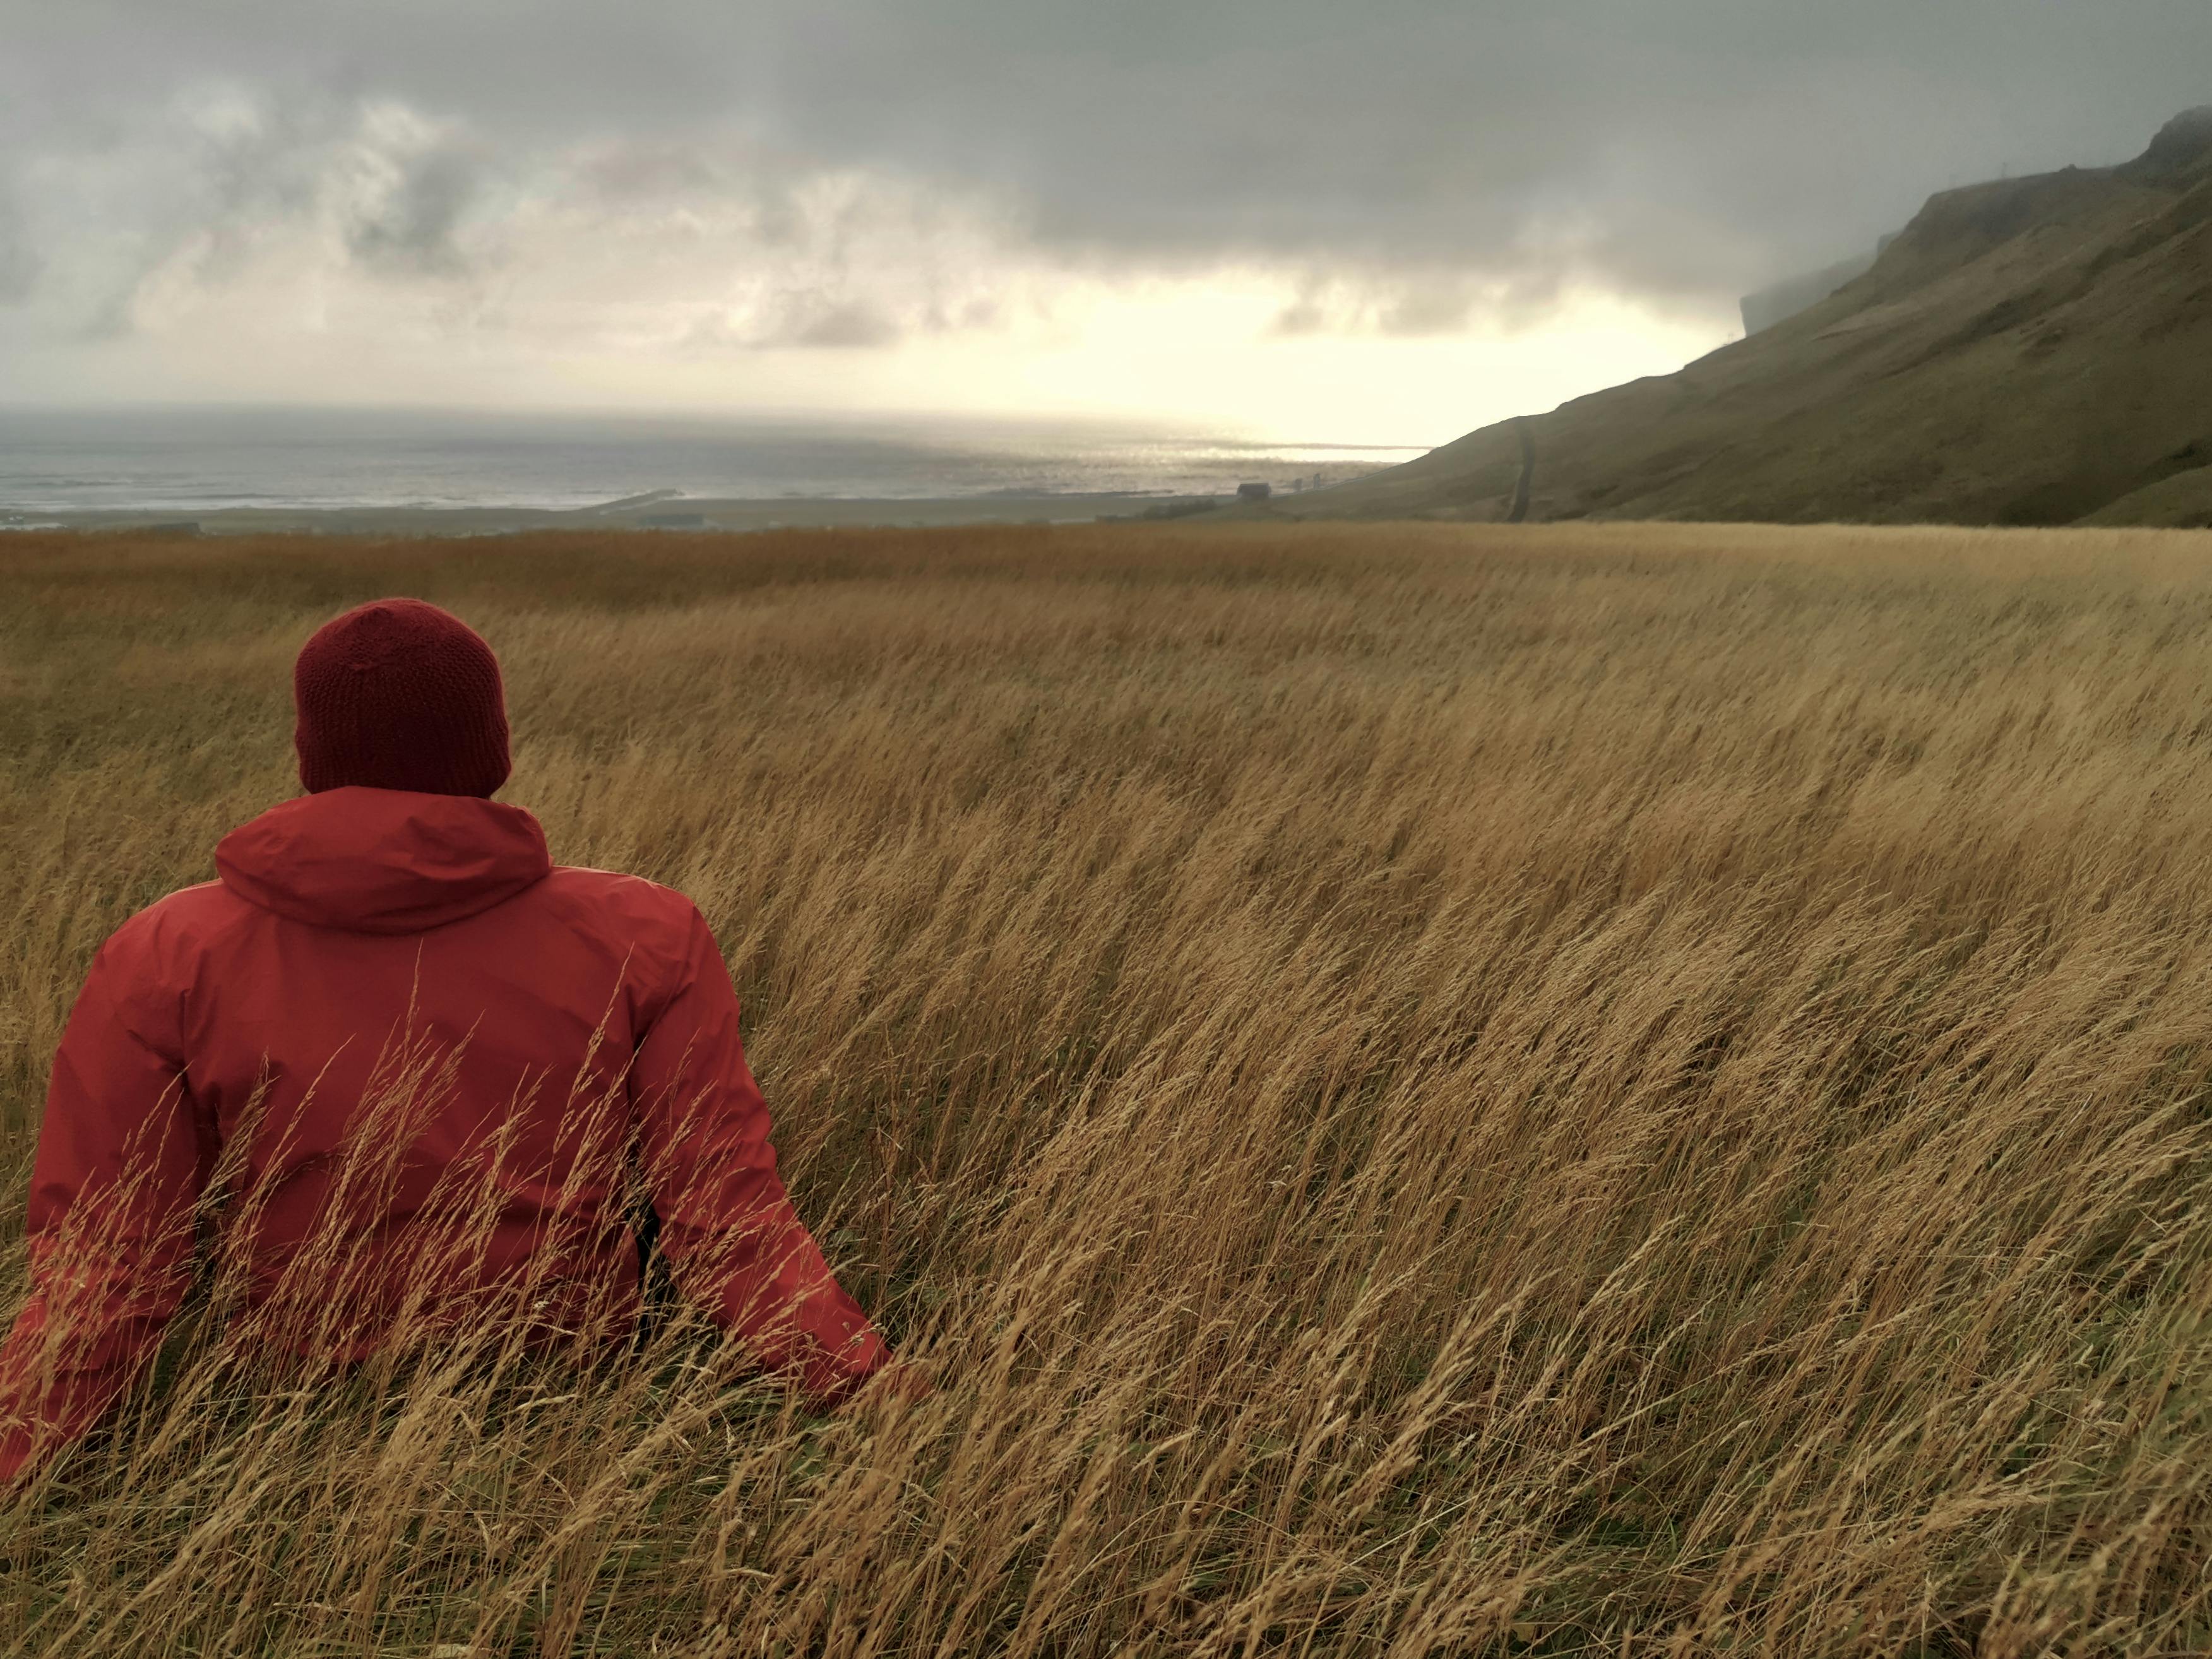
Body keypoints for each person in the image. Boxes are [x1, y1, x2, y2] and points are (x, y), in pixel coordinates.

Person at [0, 598, 897, 1485]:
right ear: (491, 749)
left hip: (288, 1416)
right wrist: (875, 1399)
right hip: (572, 1401)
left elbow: (110, 1264)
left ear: (312, 756)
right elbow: (726, 1219)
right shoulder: (644, 931)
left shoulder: (166, 951)